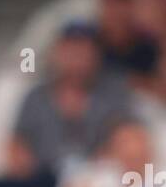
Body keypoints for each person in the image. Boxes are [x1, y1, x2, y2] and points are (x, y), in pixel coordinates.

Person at [7, 22, 135, 178]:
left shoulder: (112, 95)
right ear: (56, 53)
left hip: (98, 182)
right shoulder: (36, 97)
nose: (76, 57)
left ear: (96, 55)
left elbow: (129, 139)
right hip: (43, 182)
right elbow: (17, 144)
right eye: (70, 50)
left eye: (83, 50)